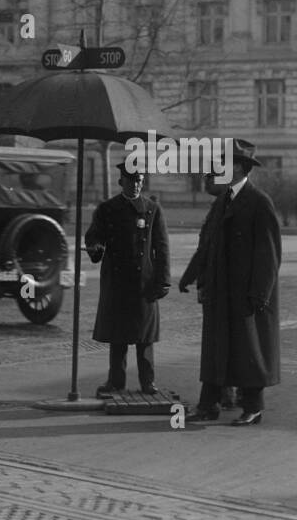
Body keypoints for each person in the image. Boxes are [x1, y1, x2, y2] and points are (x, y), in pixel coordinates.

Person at [186, 139, 281, 426]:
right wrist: (192, 275)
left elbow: (269, 254)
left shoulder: (259, 202)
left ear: (238, 168)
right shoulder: (223, 201)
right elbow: (208, 244)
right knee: (216, 350)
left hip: (246, 295)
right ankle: (208, 405)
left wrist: (259, 295)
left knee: (249, 352)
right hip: (220, 291)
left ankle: (253, 408)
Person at [86, 163, 171, 397]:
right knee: (118, 335)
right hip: (117, 281)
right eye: (132, 180)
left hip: (144, 282)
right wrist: (95, 247)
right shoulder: (107, 209)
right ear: (120, 181)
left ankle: (148, 382)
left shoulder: (152, 209)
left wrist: (163, 280)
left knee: (144, 337)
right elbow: (94, 236)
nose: (136, 184)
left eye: (140, 180)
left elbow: (161, 247)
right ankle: (116, 381)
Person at [179, 170, 240, 410]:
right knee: (221, 342)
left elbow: (209, 250)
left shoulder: (227, 206)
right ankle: (227, 392)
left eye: (211, 177)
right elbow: (204, 249)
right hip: (213, 287)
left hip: (224, 289)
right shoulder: (219, 206)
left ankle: (227, 393)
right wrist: (189, 277)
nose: (206, 180)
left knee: (223, 342)